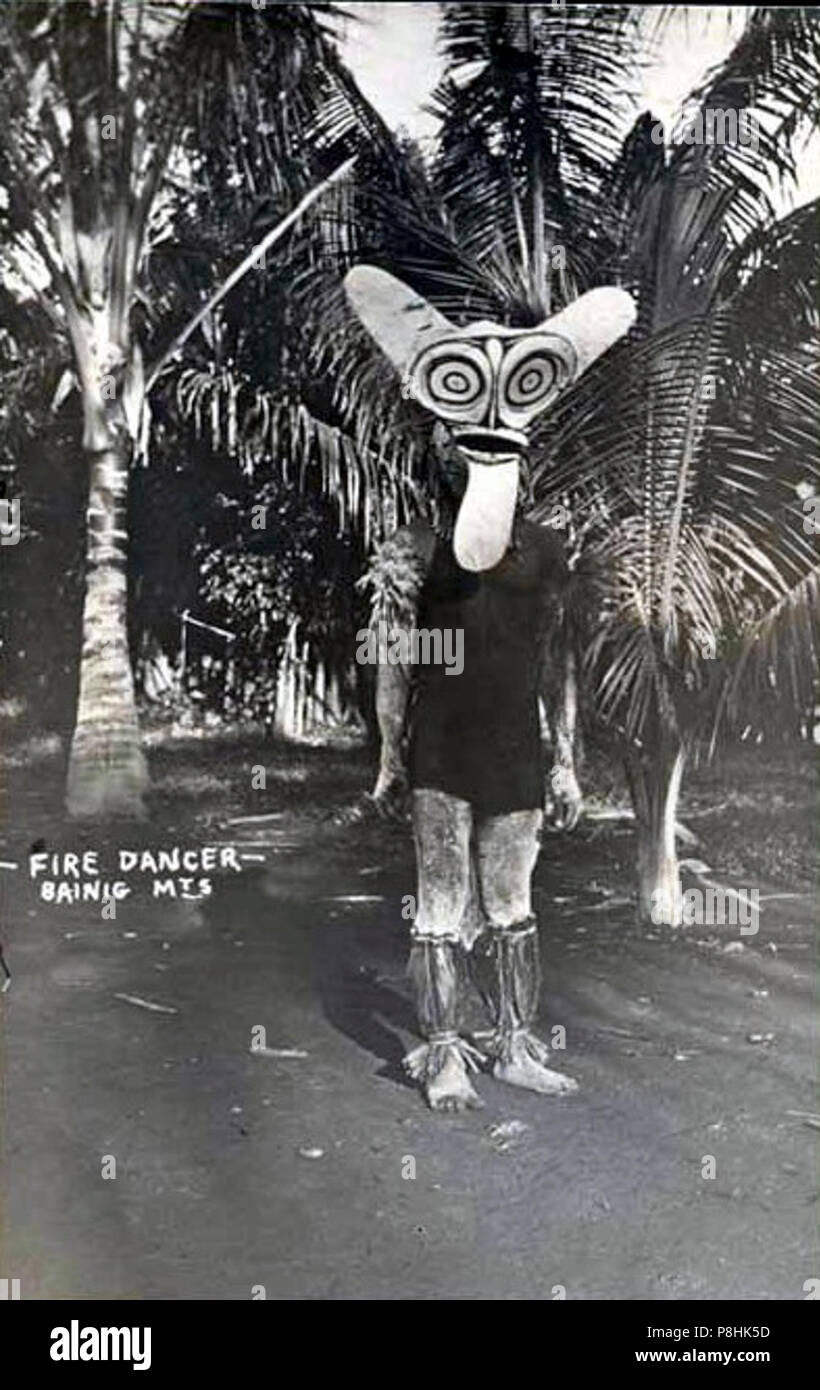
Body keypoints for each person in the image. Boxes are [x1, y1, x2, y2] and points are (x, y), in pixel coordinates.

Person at [346, 266, 635, 1110]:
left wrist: (567, 762)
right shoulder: (418, 546)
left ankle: (512, 1047)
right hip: (442, 748)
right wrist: (390, 752)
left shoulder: (545, 550)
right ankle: (443, 1054)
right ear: (440, 434)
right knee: (439, 905)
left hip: (515, 745)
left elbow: (555, 663)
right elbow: (398, 657)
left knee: (511, 904)